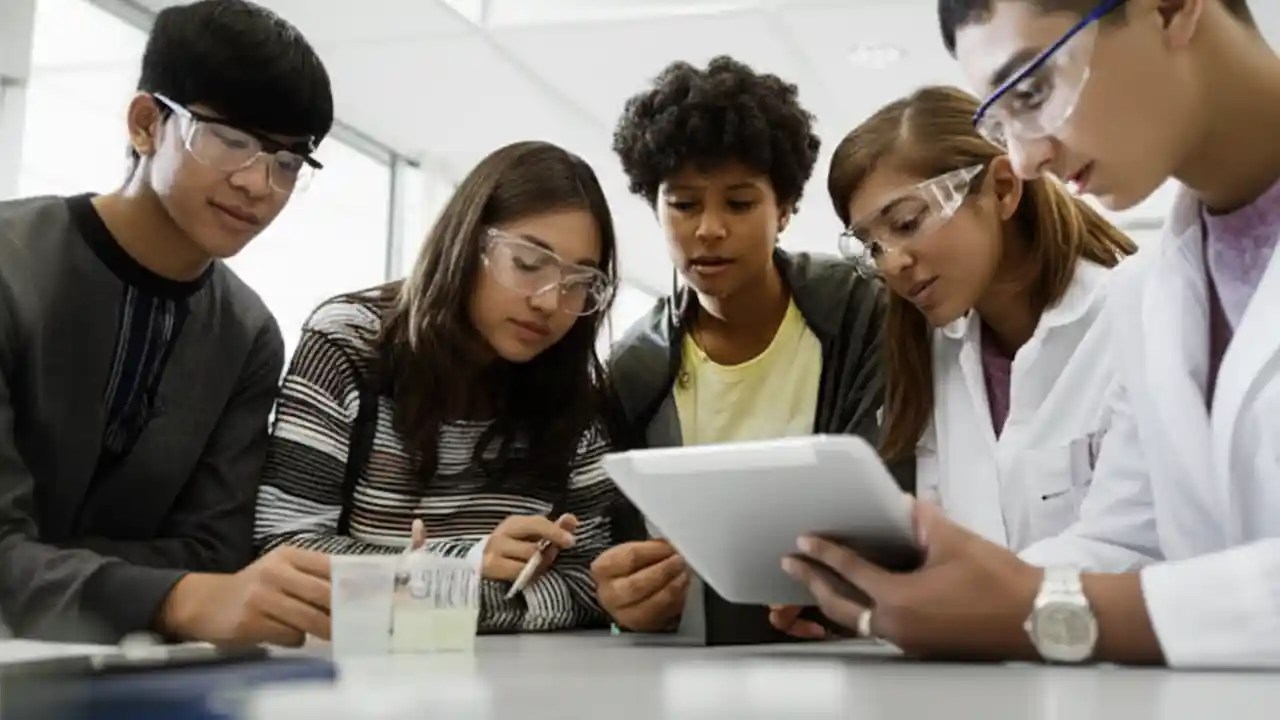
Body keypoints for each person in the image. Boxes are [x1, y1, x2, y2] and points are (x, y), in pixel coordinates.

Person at [774, 0, 1280, 668]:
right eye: (1002, 119)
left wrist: (1036, 610)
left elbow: (1080, 598)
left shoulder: (1117, 300)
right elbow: (1125, 541)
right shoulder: (1150, 297)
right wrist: (930, 595)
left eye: (1035, 89)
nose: (1026, 158)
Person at [0, 0, 336, 644]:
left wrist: (50, 565)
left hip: (129, 670)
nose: (259, 183)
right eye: (230, 140)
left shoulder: (248, 334)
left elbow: (215, 552)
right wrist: (172, 596)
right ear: (146, 123)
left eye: (288, 161)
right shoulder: (12, 268)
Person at [254, 141, 626, 634]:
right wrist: (463, 566)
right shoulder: (349, 343)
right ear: (466, 243)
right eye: (529, 263)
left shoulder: (575, 397)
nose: (549, 301)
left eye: (579, 280)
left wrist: (422, 590)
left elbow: (597, 583)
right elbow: (286, 551)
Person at [594, 56, 899, 635]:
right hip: (695, 656)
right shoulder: (634, 368)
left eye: (739, 203)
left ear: (784, 210)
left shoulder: (863, 312)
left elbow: (891, 494)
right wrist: (623, 599)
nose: (709, 228)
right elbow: (620, 541)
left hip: (855, 643)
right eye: (683, 204)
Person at [826, 85, 1136, 552]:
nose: (890, 264)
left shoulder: (1128, 322)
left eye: (908, 222)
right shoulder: (936, 353)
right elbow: (942, 546)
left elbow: (1143, 551)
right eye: (872, 247)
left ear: (1004, 189)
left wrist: (988, 601)